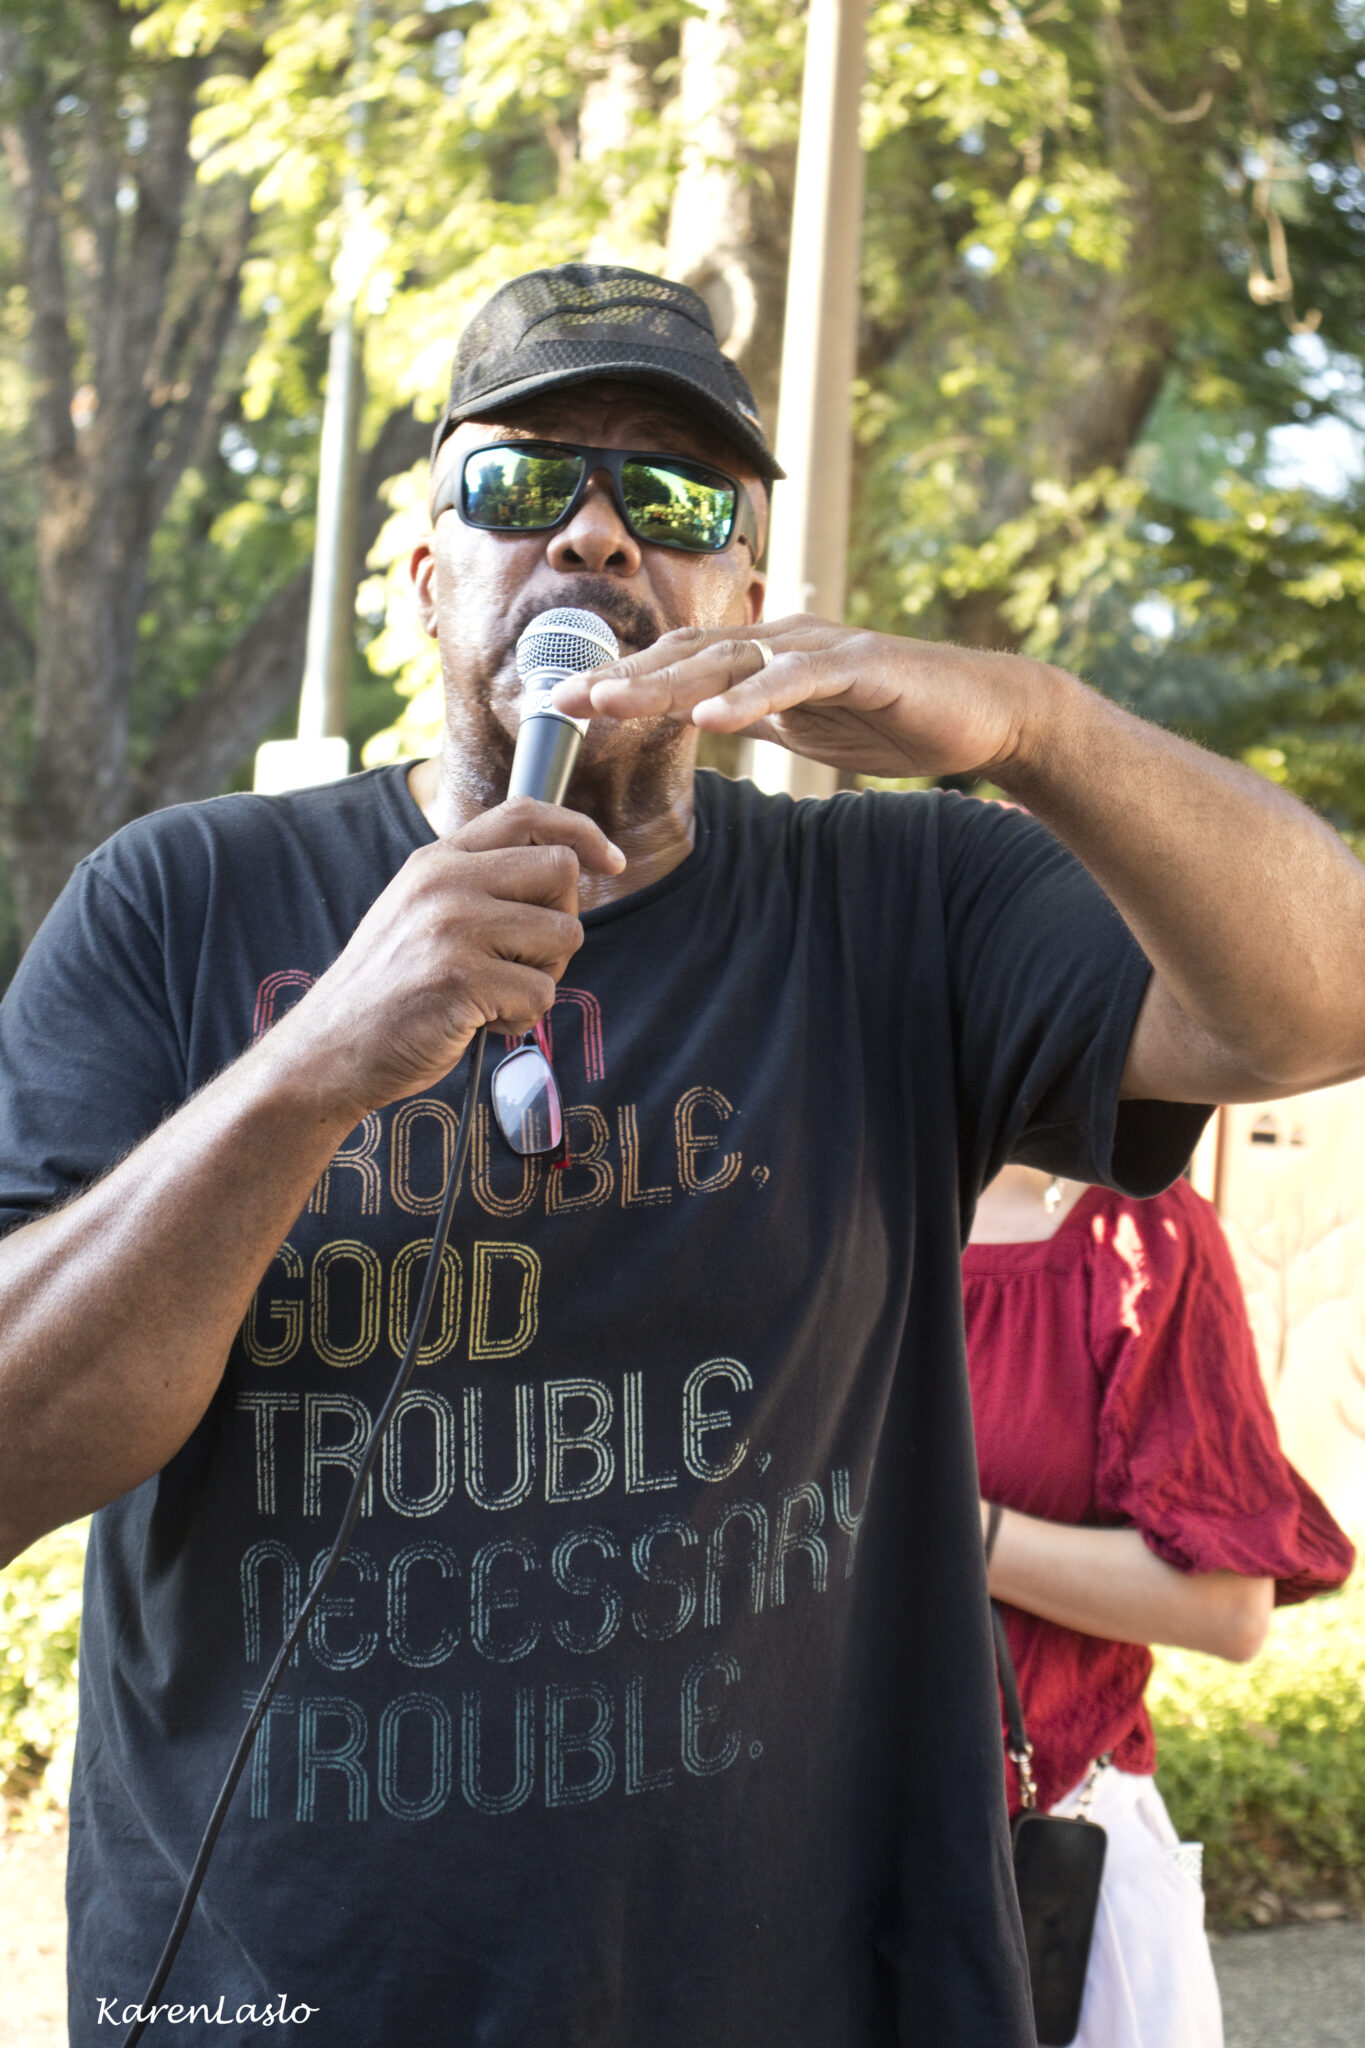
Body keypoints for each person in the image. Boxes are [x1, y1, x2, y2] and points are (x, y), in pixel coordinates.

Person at [1, 261, 1364, 2046]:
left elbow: (1316, 1003)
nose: (593, 538)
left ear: (746, 591)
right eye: (520, 484)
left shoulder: (906, 903)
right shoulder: (175, 905)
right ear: (424, 575)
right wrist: (311, 1069)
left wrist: (1036, 728)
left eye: (671, 497)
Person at [967, 1163, 1354, 2047]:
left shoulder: (1132, 1233)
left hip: (1045, 1857)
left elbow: (1227, 1607)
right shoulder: (793, 1196)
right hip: (814, 1862)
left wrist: (967, 1534)